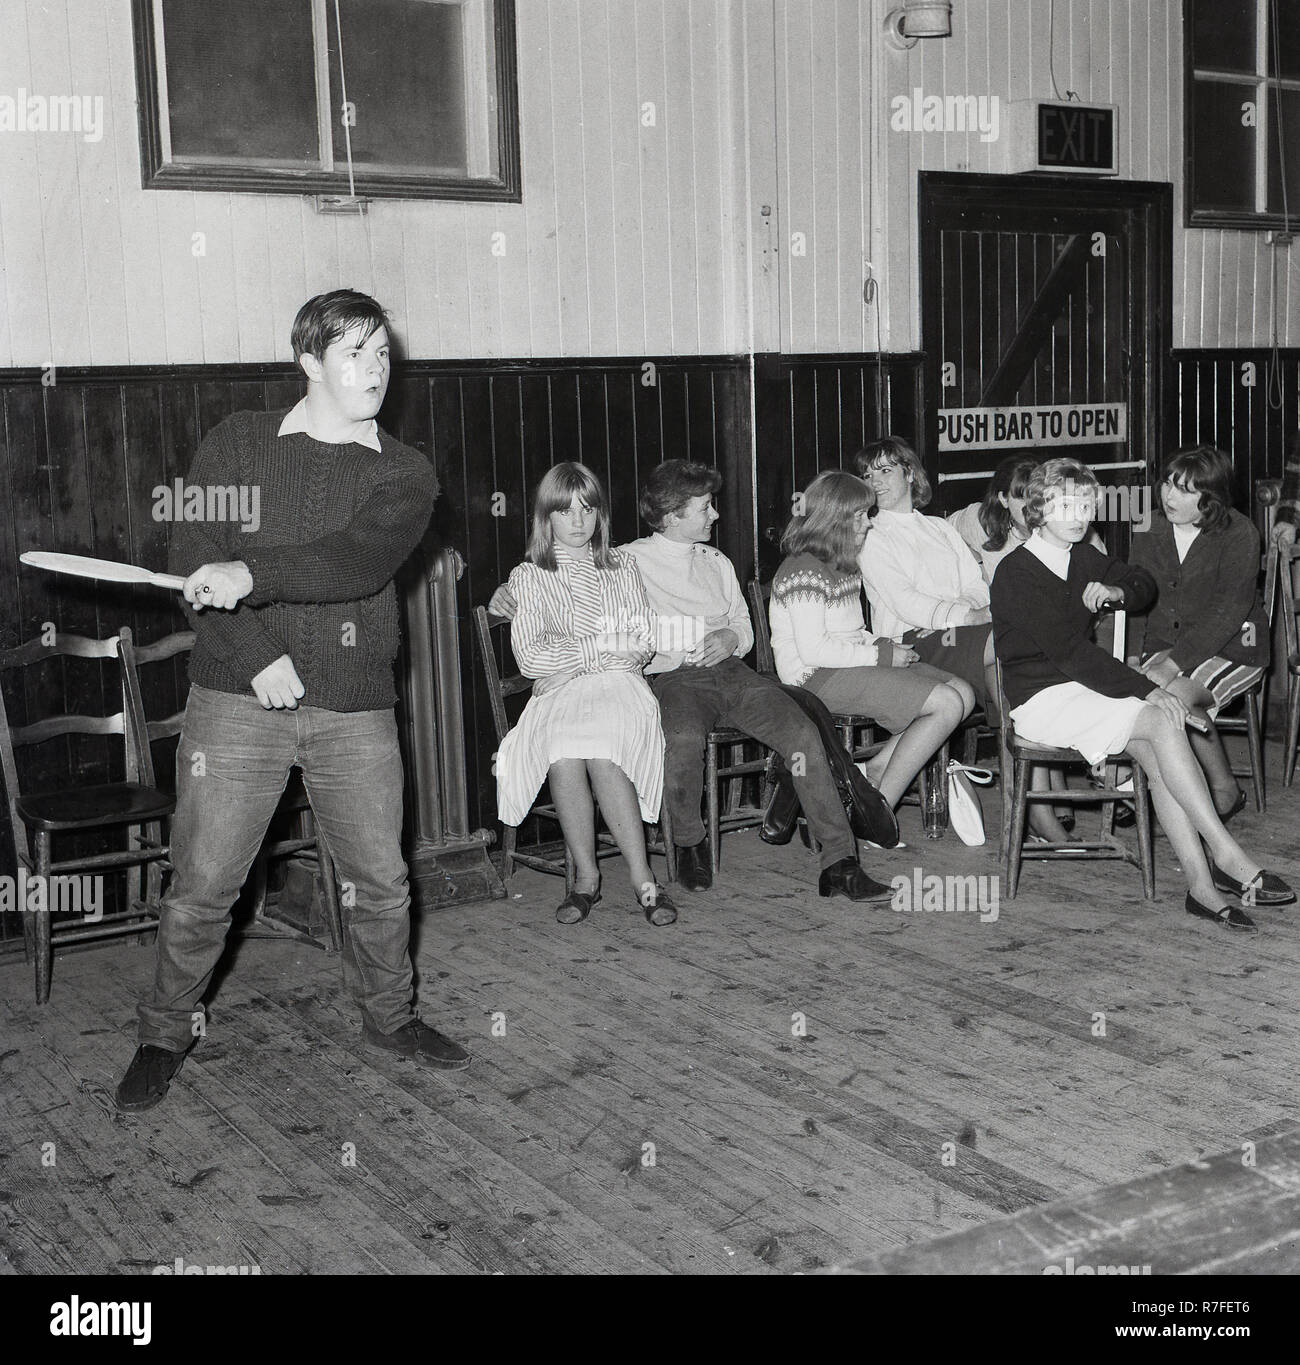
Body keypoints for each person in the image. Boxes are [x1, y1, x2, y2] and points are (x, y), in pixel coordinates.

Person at [115, 289, 470, 1114]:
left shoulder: (404, 472)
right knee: (203, 881)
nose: (375, 370)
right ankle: (165, 1032)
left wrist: (253, 576)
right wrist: (260, 651)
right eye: (355, 353)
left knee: (380, 880)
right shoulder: (235, 443)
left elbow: (352, 562)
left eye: (384, 353)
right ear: (309, 361)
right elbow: (196, 564)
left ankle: (391, 1018)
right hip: (235, 700)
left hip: (354, 707)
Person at [492, 460, 898, 902]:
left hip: (733, 675)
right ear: (671, 514)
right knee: (682, 739)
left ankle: (839, 860)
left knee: (801, 736)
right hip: (675, 679)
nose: (715, 515)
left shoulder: (716, 561)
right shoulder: (630, 560)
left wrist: (730, 636)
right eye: (705, 507)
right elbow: (573, 586)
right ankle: (687, 842)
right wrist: (503, 597)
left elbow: (744, 627)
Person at [991, 457, 1293, 932]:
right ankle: (1227, 857)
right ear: (1039, 506)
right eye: (1066, 504)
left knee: (1161, 735)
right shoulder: (1016, 572)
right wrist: (1150, 690)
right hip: (1042, 698)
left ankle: (1201, 884)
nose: (1079, 516)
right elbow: (1073, 655)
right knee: (1160, 716)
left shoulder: (1082, 555)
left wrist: (1116, 588)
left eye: (1086, 505)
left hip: (1082, 689)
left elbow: (1143, 584)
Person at [495, 463, 675, 926]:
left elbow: (641, 642)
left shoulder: (622, 564)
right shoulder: (530, 576)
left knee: (603, 750)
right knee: (562, 751)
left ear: (600, 514)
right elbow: (531, 661)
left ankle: (643, 880)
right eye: (565, 511)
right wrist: (603, 647)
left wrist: (573, 658)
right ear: (546, 517)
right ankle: (587, 879)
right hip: (559, 695)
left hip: (621, 688)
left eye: (588, 509)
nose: (578, 521)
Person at [770, 470, 970, 812]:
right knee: (946, 703)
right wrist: (881, 656)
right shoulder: (803, 570)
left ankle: (875, 769)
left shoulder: (843, 564)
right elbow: (814, 650)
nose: (868, 523)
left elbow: (850, 632)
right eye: (860, 516)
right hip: (813, 677)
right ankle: (876, 810)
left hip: (842, 667)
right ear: (833, 519)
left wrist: (884, 646)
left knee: (963, 694)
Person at [1128, 446, 1269, 822]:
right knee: (1139, 689)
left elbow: (1227, 614)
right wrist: (1129, 657)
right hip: (1166, 644)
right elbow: (1136, 596)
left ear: (1211, 498)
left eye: (1186, 490)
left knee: (1175, 695)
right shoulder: (1148, 525)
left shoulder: (1240, 533)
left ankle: (1224, 789)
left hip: (1235, 646)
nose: (1169, 496)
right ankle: (1148, 785)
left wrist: (1171, 665)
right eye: (1168, 484)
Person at [946, 454, 1040, 584]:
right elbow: (936, 530)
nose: (1030, 505)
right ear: (1004, 499)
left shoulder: (1056, 533)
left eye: (1036, 497)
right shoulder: (981, 520)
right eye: (1021, 498)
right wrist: (973, 561)